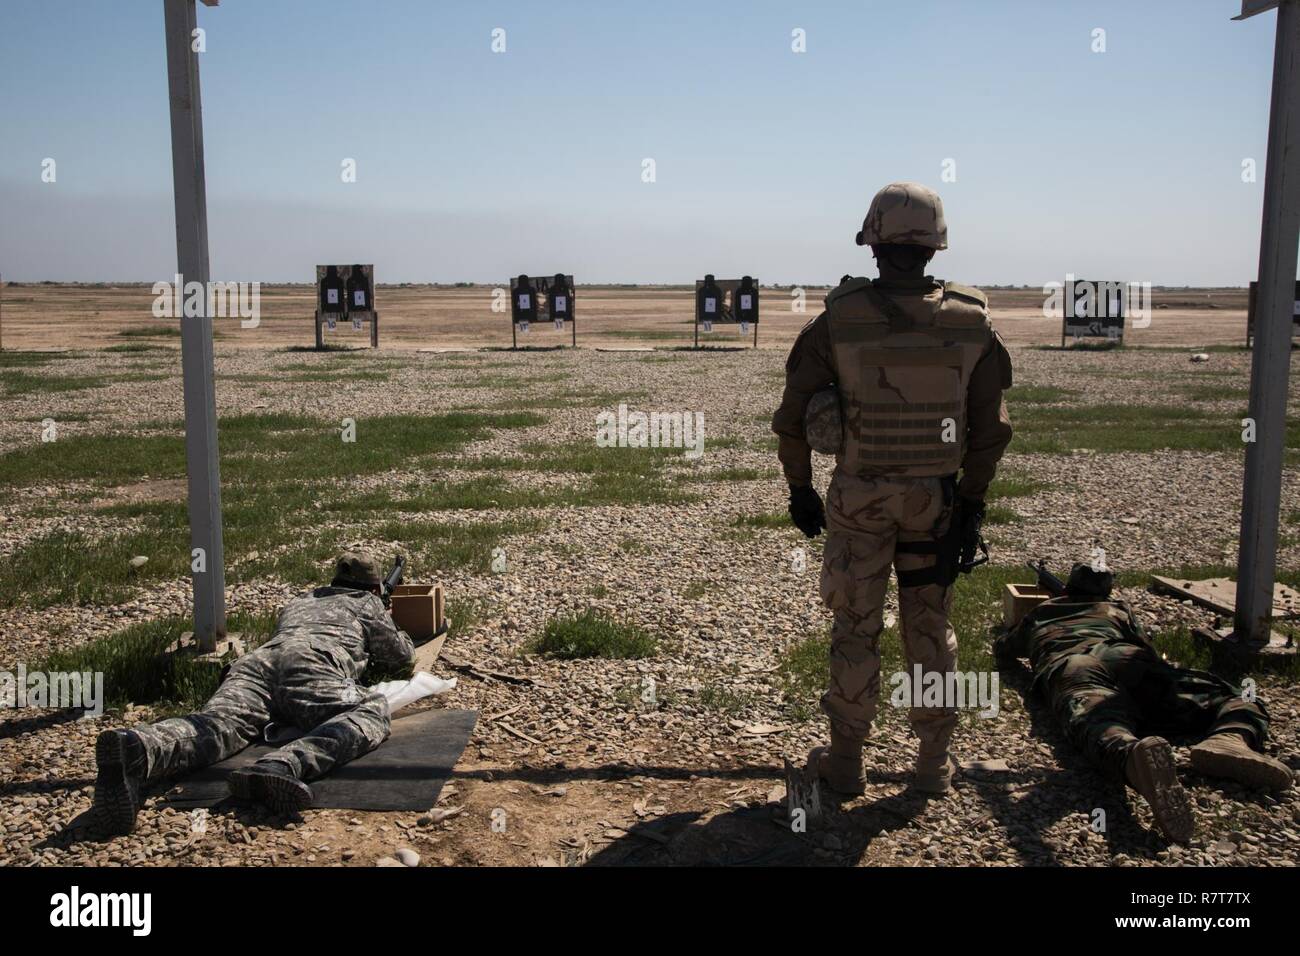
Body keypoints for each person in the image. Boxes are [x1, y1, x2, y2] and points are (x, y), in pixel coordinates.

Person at [772, 181, 1013, 796]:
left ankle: (847, 764)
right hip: (934, 502)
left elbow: (793, 415)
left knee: (856, 626)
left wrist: (800, 488)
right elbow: (990, 431)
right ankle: (931, 767)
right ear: (936, 246)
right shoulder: (971, 322)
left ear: (872, 240)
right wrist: (974, 502)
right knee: (928, 628)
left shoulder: (841, 320)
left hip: (858, 498)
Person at [91, 552, 415, 834]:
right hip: (311, 662)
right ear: (374, 588)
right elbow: (400, 657)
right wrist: (388, 618)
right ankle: (283, 765)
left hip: (256, 661)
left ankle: (140, 747)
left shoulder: (303, 600)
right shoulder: (367, 602)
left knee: (220, 723)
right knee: (370, 708)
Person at [994, 563, 1292, 844]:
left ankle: (1130, 755)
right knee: (1223, 695)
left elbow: (1006, 649)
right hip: (1123, 656)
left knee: (1097, 722)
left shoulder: (1042, 612)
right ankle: (1231, 737)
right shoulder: (1116, 609)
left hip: (1074, 665)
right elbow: (1145, 647)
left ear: (1068, 588)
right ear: (1106, 591)